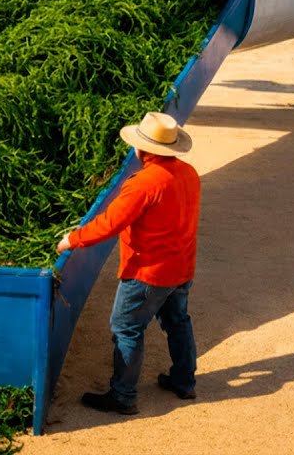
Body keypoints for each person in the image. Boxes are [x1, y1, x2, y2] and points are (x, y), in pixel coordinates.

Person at [57, 111, 201, 415]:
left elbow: (111, 223)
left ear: (143, 149)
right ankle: (184, 381)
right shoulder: (188, 173)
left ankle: (123, 395)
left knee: (126, 327)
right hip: (182, 267)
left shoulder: (144, 183)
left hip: (149, 272)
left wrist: (73, 239)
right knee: (178, 321)